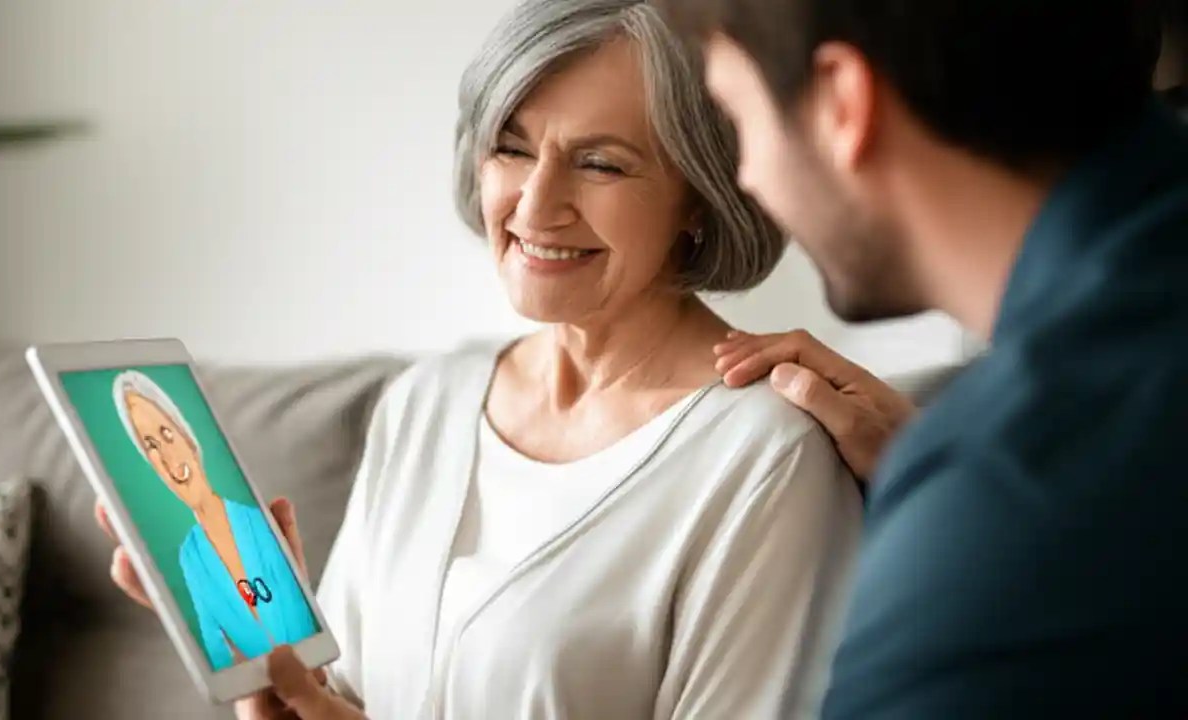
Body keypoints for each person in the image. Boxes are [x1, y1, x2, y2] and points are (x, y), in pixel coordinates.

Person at [97, 0, 864, 717]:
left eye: (600, 163)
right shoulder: (425, 403)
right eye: (511, 147)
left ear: (699, 194)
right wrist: (277, 679)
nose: (533, 206)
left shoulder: (765, 454)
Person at [658, 0, 1188, 716]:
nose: (746, 176)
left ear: (843, 101)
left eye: (735, 119)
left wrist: (958, 517)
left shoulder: (1009, 499)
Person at [113, 371, 318, 670]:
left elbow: (297, 621)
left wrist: (310, 678)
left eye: (167, 434)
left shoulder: (256, 524)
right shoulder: (190, 556)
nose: (167, 457)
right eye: (151, 447)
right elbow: (215, 645)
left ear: (189, 440)